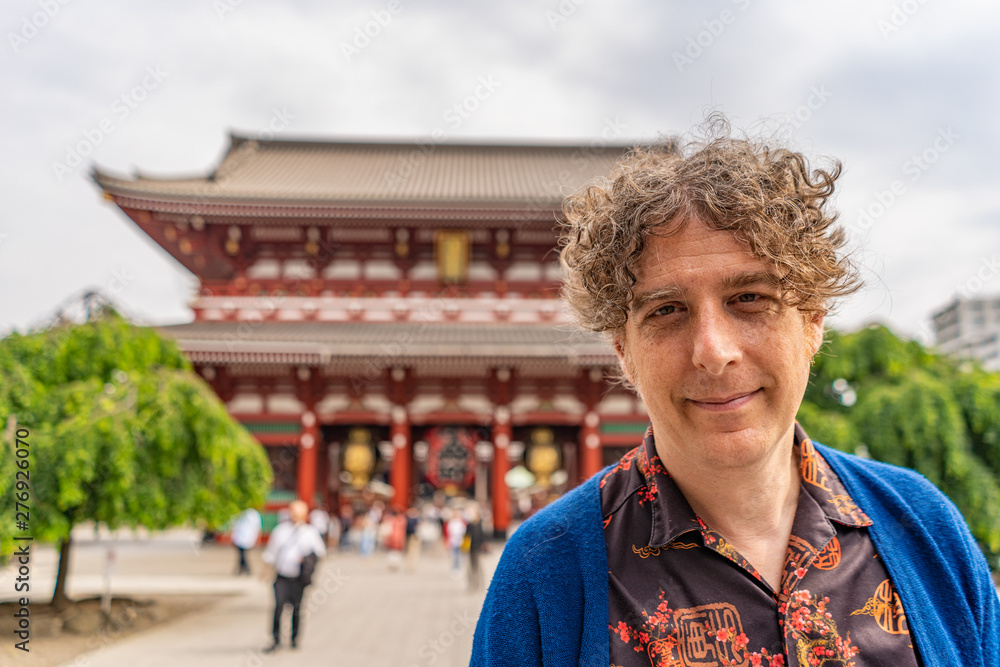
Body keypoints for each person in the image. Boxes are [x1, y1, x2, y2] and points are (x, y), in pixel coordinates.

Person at [471, 118, 999, 666]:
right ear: (623, 348)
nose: (713, 350)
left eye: (750, 298)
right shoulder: (546, 573)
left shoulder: (924, 526)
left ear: (813, 320)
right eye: (666, 310)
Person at [261, 500, 326, 652]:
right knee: (278, 607)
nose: (295, 516)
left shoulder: (310, 532)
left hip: (299, 578)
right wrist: (265, 571)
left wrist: (307, 559)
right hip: (282, 576)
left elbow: (320, 553)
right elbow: (271, 553)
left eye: (298, 513)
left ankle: (294, 638)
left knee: (297, 609)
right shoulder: (280, 530)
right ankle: (275, 639)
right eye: (293, 513)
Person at [230, 507, 261, 576]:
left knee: (242, 555)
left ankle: (245, 569)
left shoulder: (253, 513)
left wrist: (257, 539)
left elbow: (257, 527)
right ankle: (243, 569)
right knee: (242, 555)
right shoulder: (238, 512)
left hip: (248, 537)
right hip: (239, 538)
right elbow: (234, 526)